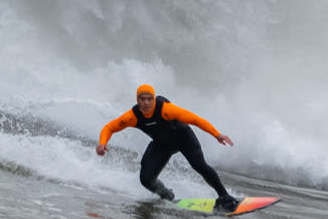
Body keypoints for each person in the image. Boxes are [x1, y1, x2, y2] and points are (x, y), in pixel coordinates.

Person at [96, 83, 239, 211]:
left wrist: (217, 134)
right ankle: (167, 195)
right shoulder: (132, 116)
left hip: (184, 138)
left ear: (153, 99)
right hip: (162, 145)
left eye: (149, 99)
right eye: (142, 99)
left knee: (200, 165)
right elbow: (109, 127)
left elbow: (195, 119)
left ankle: (224, 196)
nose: (146, 103)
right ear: (137, 100)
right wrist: (102, 143)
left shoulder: (166, 109)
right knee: (146, 179)